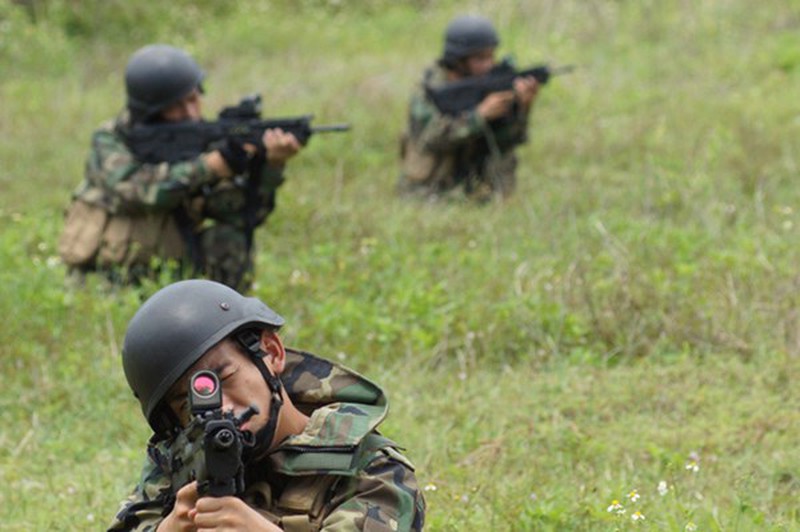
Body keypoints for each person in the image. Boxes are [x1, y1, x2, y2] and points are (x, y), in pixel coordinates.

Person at [108, 279, 425, 531]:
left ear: (271, 352)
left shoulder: (373, 471)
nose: (221, 407)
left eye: (225, 377)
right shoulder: (179, 465)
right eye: (185, 402)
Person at [58, 44, 302, 292]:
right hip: (109, 275)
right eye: (176, 106)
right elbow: (135, 191)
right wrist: (209, 167)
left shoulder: (204, 138)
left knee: (229, 236)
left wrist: (270, 166)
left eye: (194, 99)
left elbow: (240, 215)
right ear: (150, 111)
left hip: (175, 270)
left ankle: (221, 305)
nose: (191, 112)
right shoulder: (112, 139)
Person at [399, 14, 540, 201]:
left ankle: (489, 192)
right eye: (480, 58)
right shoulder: (431, 90)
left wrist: (522, 108)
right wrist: (479, 116)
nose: (488, 64)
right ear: (458, 59)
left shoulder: (489, 83)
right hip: (429, 190)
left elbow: (508, 141)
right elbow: (429, 140)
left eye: (491, 56)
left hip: (477, 190)